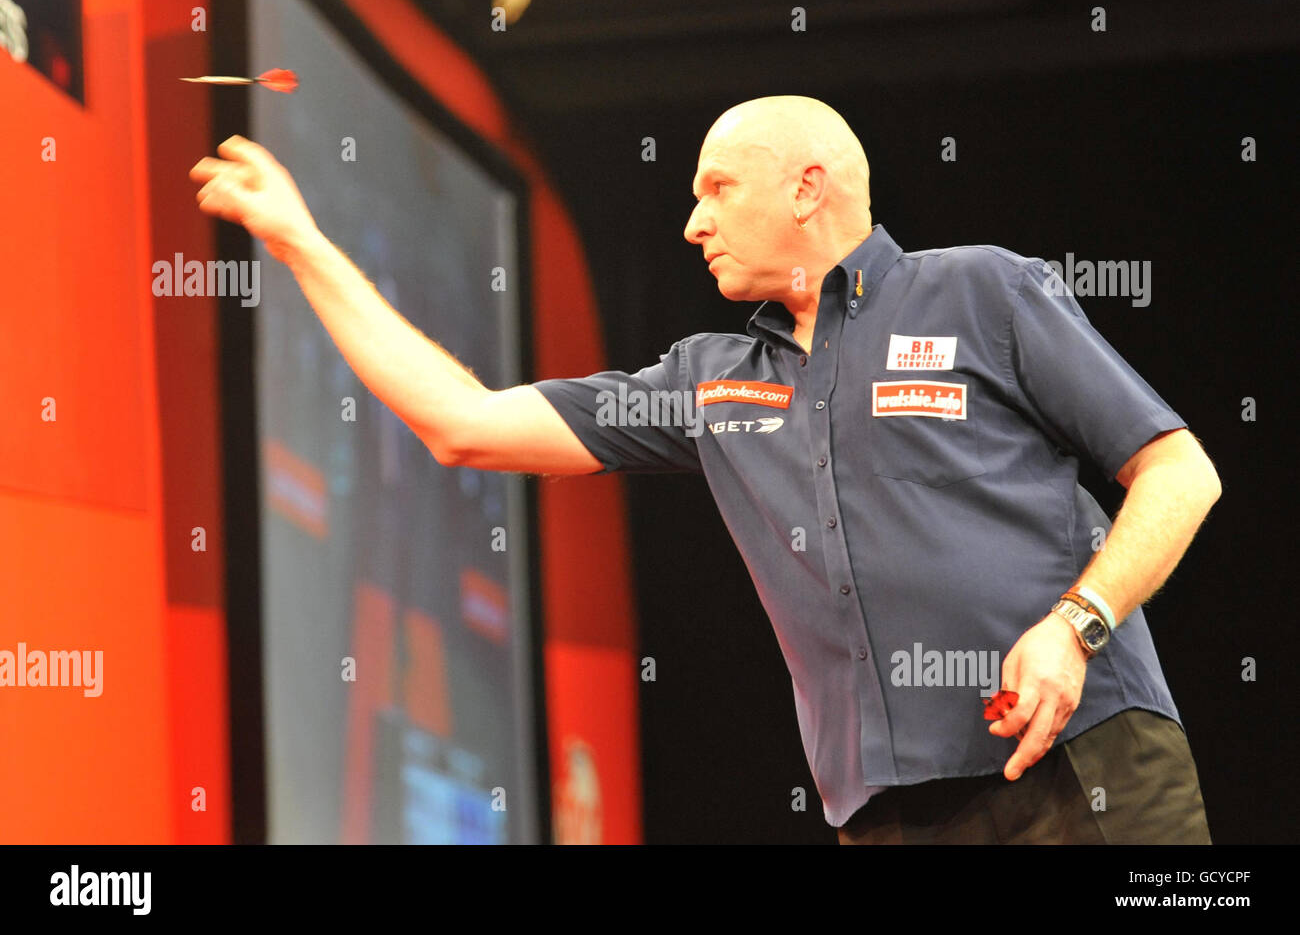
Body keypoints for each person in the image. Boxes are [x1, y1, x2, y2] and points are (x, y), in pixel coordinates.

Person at [190, 95, 1221, 845]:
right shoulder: (708, 380)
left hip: (1086, 763)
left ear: (807, 187)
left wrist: (1075, 625)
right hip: (889, 817)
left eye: (718, 188)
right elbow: (465, 426)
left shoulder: (979, 292)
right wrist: (301, 243)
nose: (693, 222)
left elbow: (1179, 470)